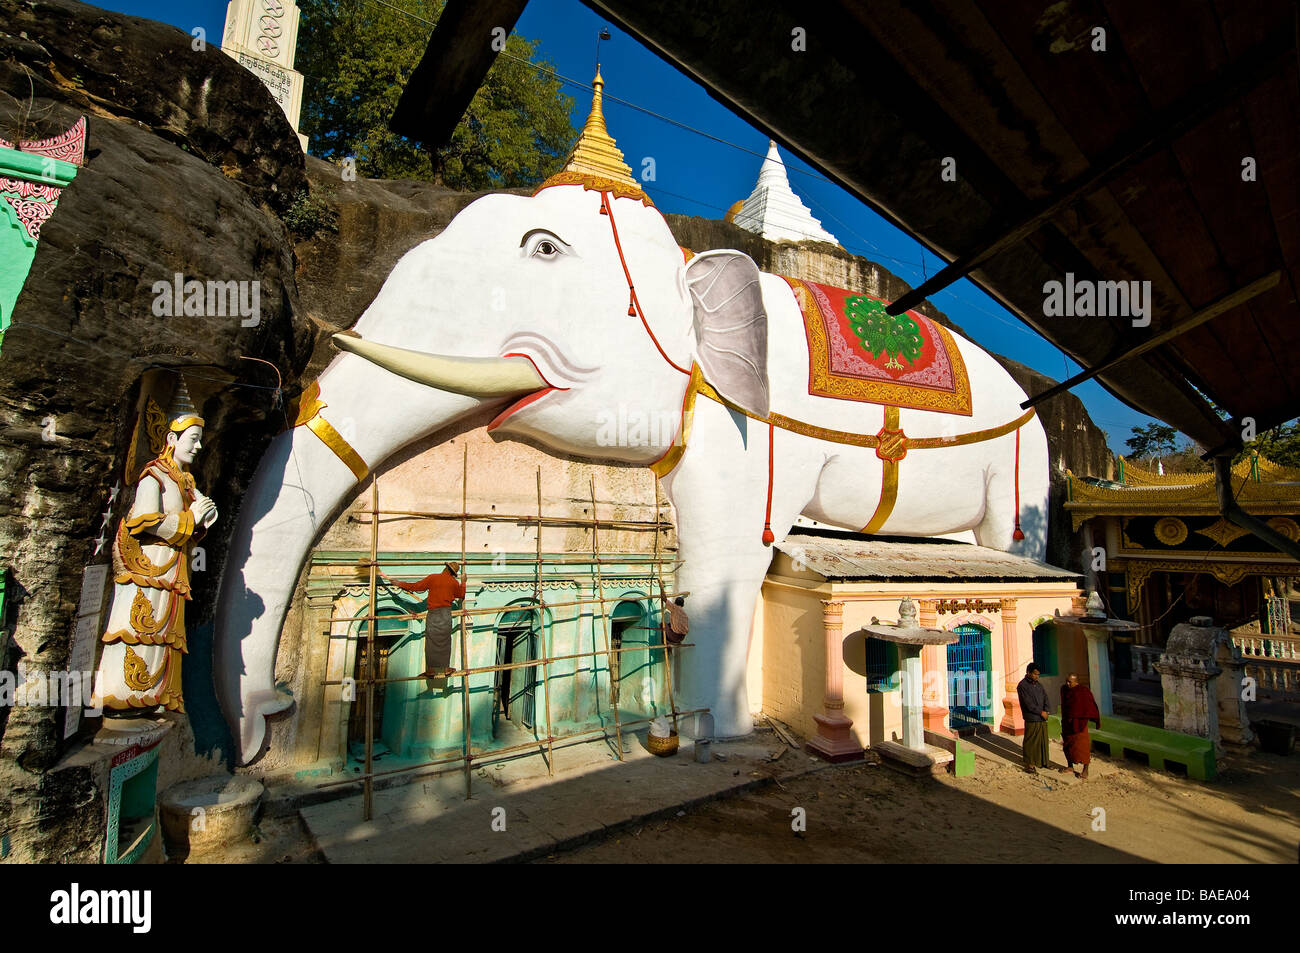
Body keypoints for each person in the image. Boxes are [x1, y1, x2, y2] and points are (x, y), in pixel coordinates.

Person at [93, 388, 217, 714]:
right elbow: (145, 522)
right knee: (138, 632)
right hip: (149, 569)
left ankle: (152, 696)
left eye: (200, 438)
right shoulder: (154, 477)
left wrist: (201, 522)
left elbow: (189, 530)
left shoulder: (183, 481)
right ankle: (123, 697)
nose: (199, 446)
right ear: (171, 439)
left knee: (164, 637)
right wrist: (192, 519)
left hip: (172, 571)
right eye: (192, 438)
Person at [380, 562, 466, 677]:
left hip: (433, 613)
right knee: (445, 640)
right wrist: (464, 582)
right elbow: (461, 595)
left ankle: (430, 670)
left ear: (445, 568)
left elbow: (416, 587)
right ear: (453, 573)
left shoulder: (433, 578)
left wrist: (399, 583)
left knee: (430, 640)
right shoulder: (454, 582)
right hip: (446, 613)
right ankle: (445, 669)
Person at [1060, 672, 1101, 779]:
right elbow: (1065, 705)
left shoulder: (1083, 691)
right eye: (1066, 681)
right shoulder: (1064, 689)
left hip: (1080, 723)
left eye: (1070, 682)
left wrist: (1087, 717)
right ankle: (1070, 766)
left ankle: (1085, 770)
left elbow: (1089, 705)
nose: (1067, 684)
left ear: (1076, 682)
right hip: (1067, 722)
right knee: (1067, 745)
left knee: (1083, 747)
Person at [1016, 663, 1051, 774]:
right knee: (1031, 741)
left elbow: (1045, 697)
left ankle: (1043, 762)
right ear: (1029, 673)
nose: (1037, 676)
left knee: (1042, 741)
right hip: (1032, 717)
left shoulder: (1039, 685)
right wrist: (1040, 712)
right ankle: (1029, 764)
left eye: (1038, 675)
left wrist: (1046, 710)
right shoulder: (1022, 686)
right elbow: (1028, 704)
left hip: (1042, 717)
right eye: (1035, 674)